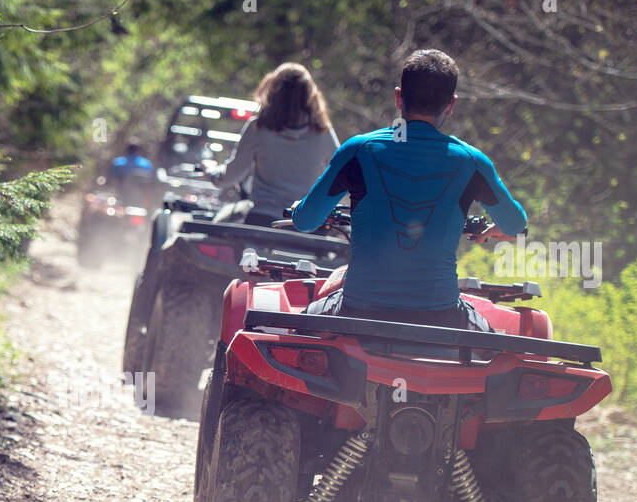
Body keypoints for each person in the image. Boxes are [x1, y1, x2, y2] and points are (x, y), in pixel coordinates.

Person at [292, 49, 526, 330]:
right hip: (441, 318)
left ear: (398, 97)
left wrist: (299, 208)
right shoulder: (473, 162)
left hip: (358, 311)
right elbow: (515, 224)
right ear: (451, 104)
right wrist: (498, 229)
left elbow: (305, 221)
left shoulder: (358, 150)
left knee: (296, 329)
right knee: (493, 343)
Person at [208, 63, 340, 226]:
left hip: (262, 219)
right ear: (310, 94)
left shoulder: (259, 127)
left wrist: (212, 171)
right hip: (304, 223)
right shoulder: (323, 132)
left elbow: (232, 175)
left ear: (273, 91)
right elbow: (341, 175)